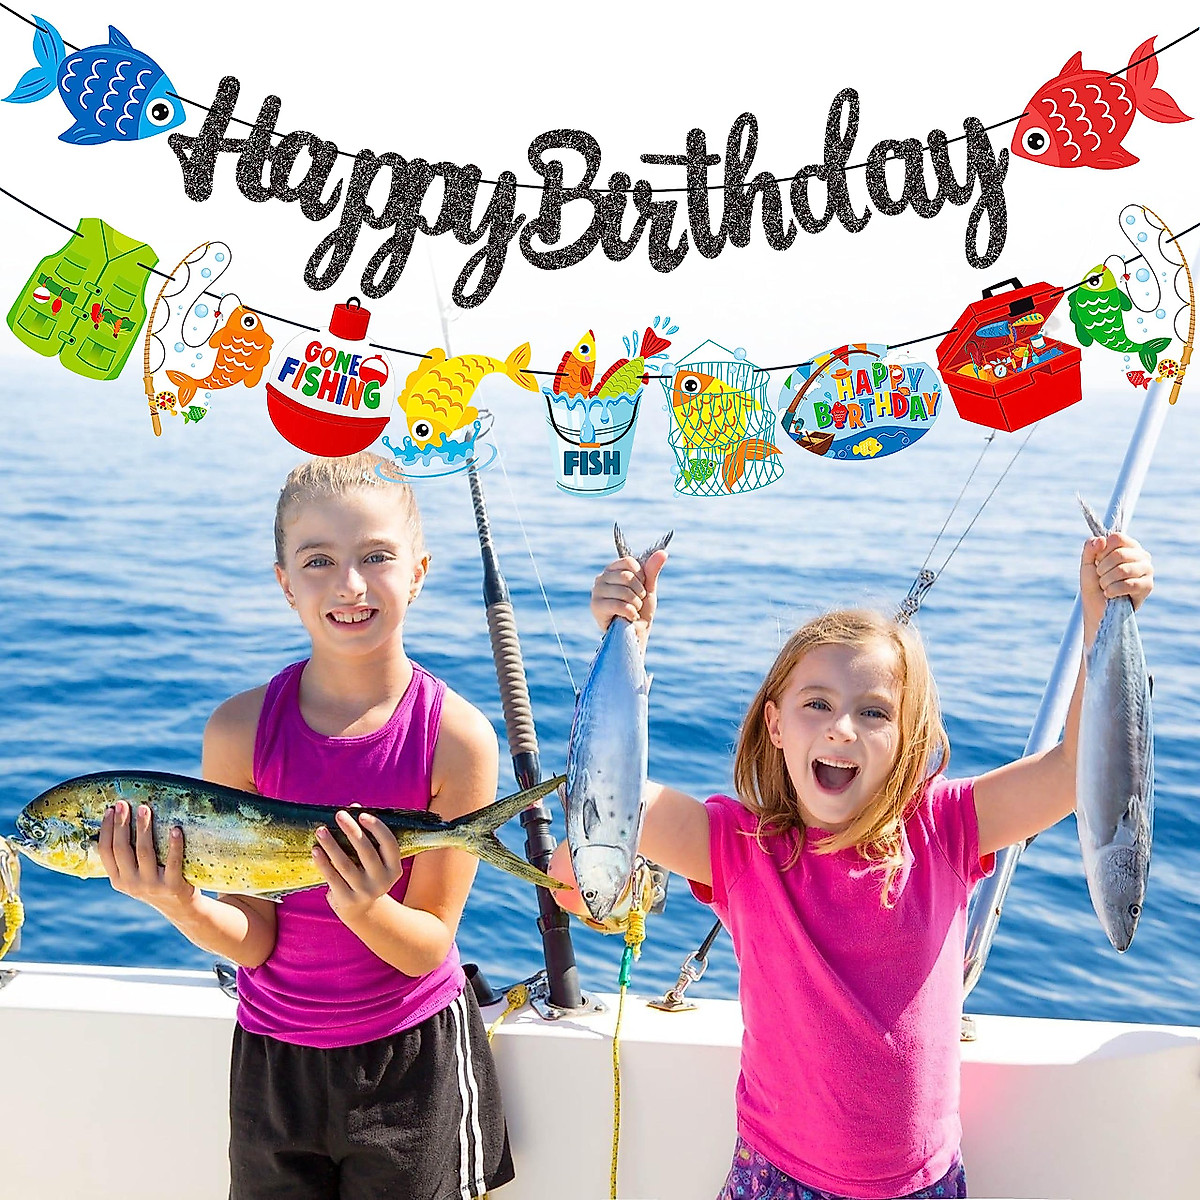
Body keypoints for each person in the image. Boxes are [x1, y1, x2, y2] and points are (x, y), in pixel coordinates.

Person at [553, 529, 1154, 1200]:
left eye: (873, 712)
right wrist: (626, 639)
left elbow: (1074, 770)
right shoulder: (739, 846)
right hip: (776, 1177)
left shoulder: (947, 828)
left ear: (907, 740)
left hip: (923, 1184)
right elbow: (610, 796)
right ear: (775, 725)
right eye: (817, 704)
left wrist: (1101, 613)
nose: (842, 727)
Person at [96, 452, 515, 1200]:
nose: (349, 585)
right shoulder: (238, 731)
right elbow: (255, 938)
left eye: (376, 556)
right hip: (273, 1059)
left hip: (410, 1059)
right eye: (318, 561)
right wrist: (179, 901)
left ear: (419, 571)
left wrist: (366, 907)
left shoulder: (457, 739)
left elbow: (426, 947)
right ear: (285, 582)